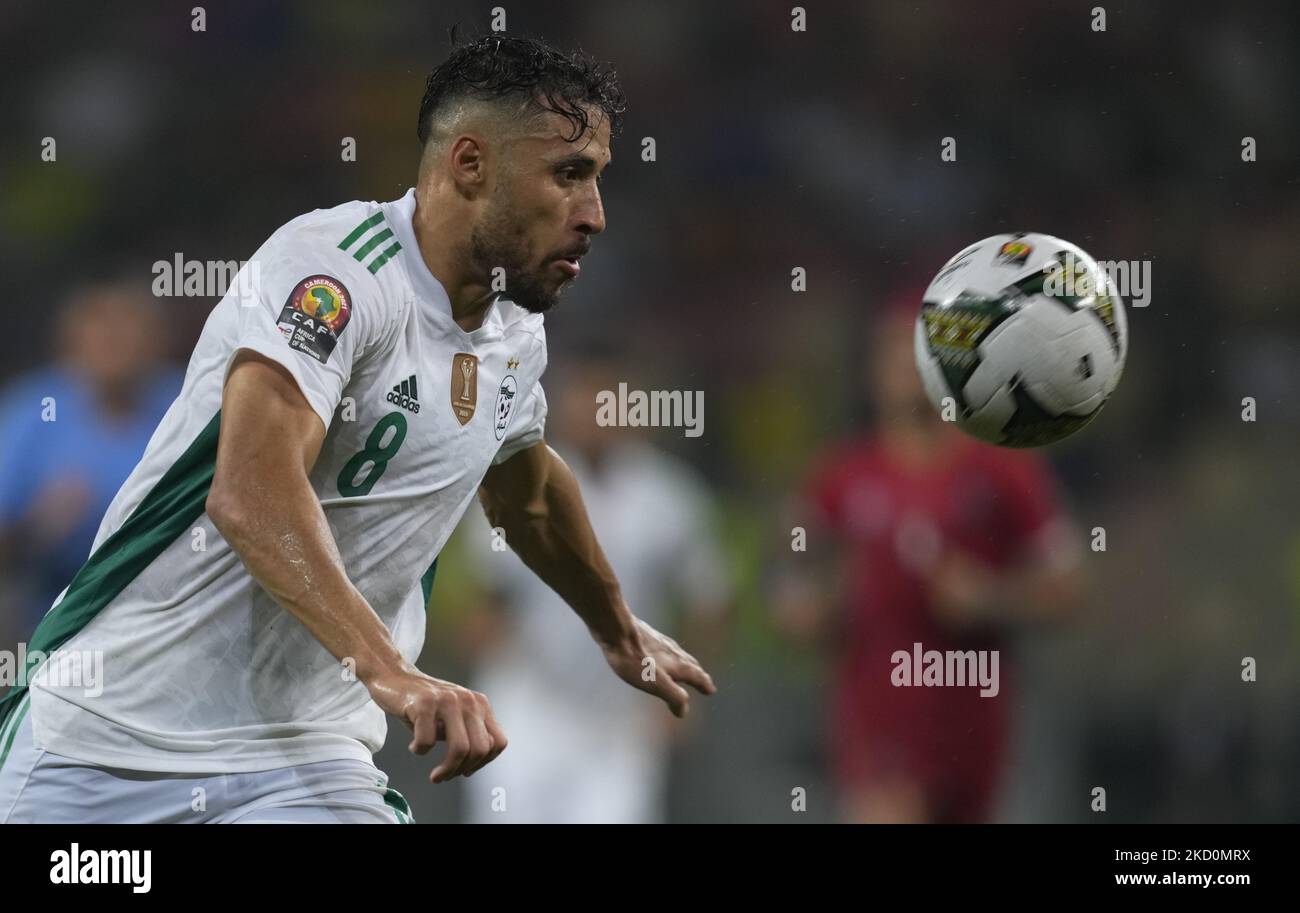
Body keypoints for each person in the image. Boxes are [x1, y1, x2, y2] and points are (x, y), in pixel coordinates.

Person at [0, 35, 714, 824]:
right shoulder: (336, 273)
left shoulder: (514, 331)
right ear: (470, 165)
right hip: (110, 737)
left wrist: (616, 629)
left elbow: (526, 490)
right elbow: (250, 494)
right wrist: (391, 671)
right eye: (570, 175)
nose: (596, 215)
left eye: (598, 179)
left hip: (304, 754)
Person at [778, 295, 1083, 823]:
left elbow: (1069, 587)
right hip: (878, 721)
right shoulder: (841, 479)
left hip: (973, 718)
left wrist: (992, 597)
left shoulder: (1004, 473)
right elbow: (789, 581)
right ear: (873, 371)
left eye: (920, 355)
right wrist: (815, 607)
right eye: (893, 356)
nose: (905, 372)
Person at [457, 352, 731, 823]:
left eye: (607, 397)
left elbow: (710, 601)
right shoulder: (518, 481)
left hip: (620, 719)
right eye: (583, 394)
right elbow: (490, 601)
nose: (594, 410)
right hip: (528, 707)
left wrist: (682, 695)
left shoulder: (667, 496)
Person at [0, 283, 180, 640]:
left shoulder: (183, 400)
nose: (114, 348)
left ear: (155, 343)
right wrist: (35, 524)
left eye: (126, 335)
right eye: (101, 336)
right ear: (70, 346)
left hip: (170, 608)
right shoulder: (35, 410)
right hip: (55, 613)